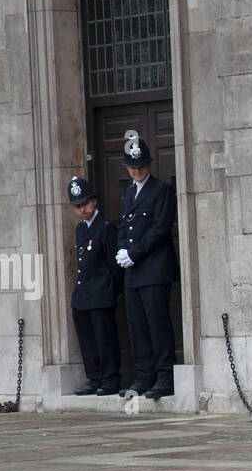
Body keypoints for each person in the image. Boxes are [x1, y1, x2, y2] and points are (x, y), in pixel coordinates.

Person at [116, 134, 179, 399]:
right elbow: (125, 226)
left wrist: (134, 252)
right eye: (132, 166)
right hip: (133, 272)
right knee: (137, 325)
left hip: (154, 269)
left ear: (149, 164)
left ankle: (164, 376)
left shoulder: (161, 190)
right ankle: (144, 375)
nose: (137, 170)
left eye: (141, 165)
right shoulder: (129, 193)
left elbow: (160, 228)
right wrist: (120, 249)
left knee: (157, 324)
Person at [67, 176, 122, 396]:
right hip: (84, 293)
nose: (83, 210)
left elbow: (114, 265)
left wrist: (111, 290)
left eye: (86, 204)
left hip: (102, 292)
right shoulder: (81, 230)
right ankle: (95, 377)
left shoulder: (106, 228)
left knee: (105, 338)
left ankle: (110, 378)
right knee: (88, 338)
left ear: (94, 202)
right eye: (78, 206)